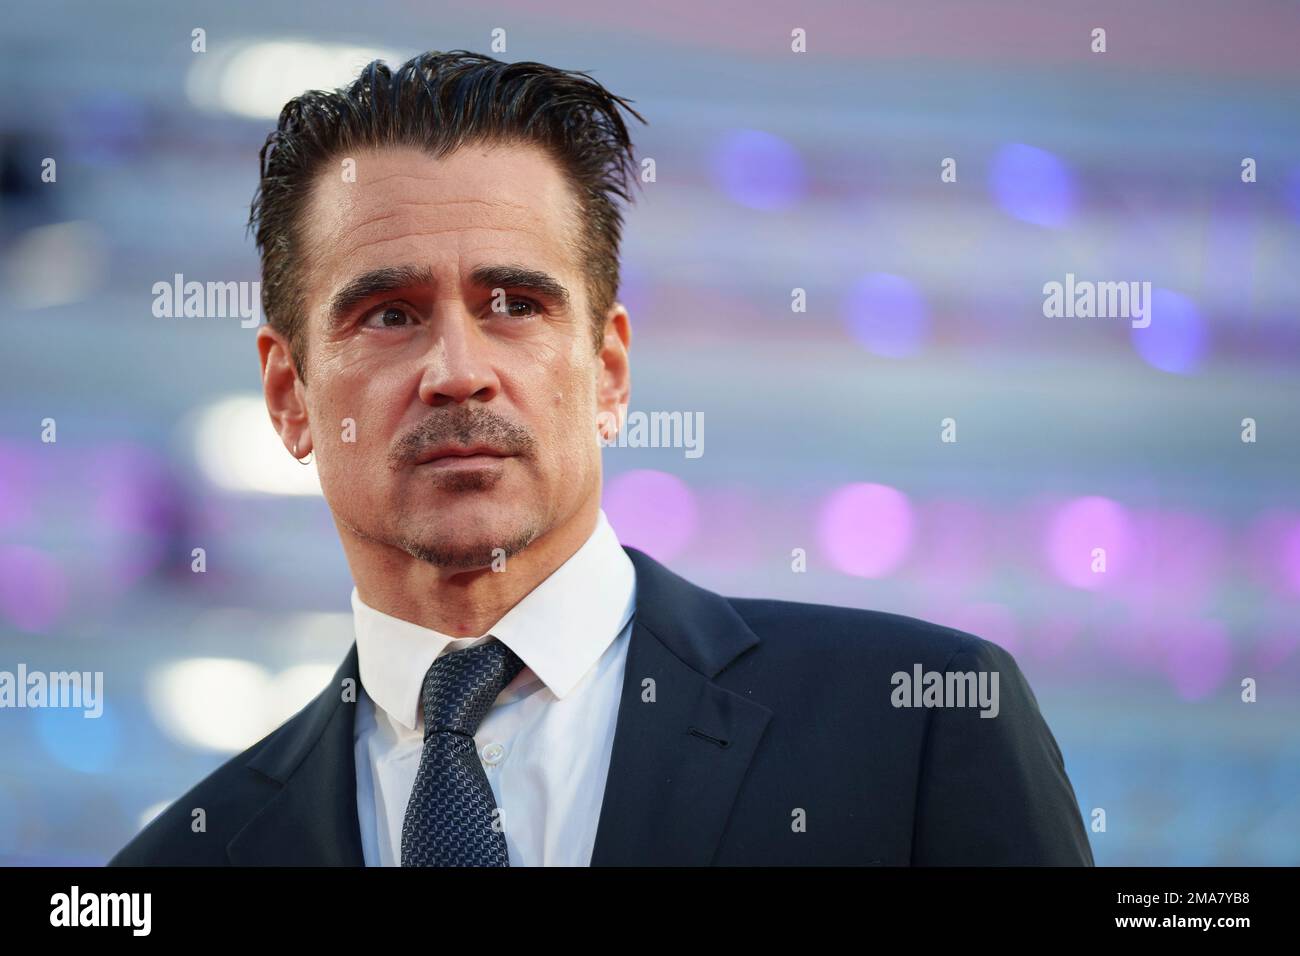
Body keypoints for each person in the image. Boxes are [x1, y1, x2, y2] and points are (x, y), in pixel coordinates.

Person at [109, 50, 1093, 867]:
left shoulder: (916, 724)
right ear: (289, 396)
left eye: (517, 306)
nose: (457, 371)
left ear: (610, 371)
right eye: (389, 314)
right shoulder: (182, 864)